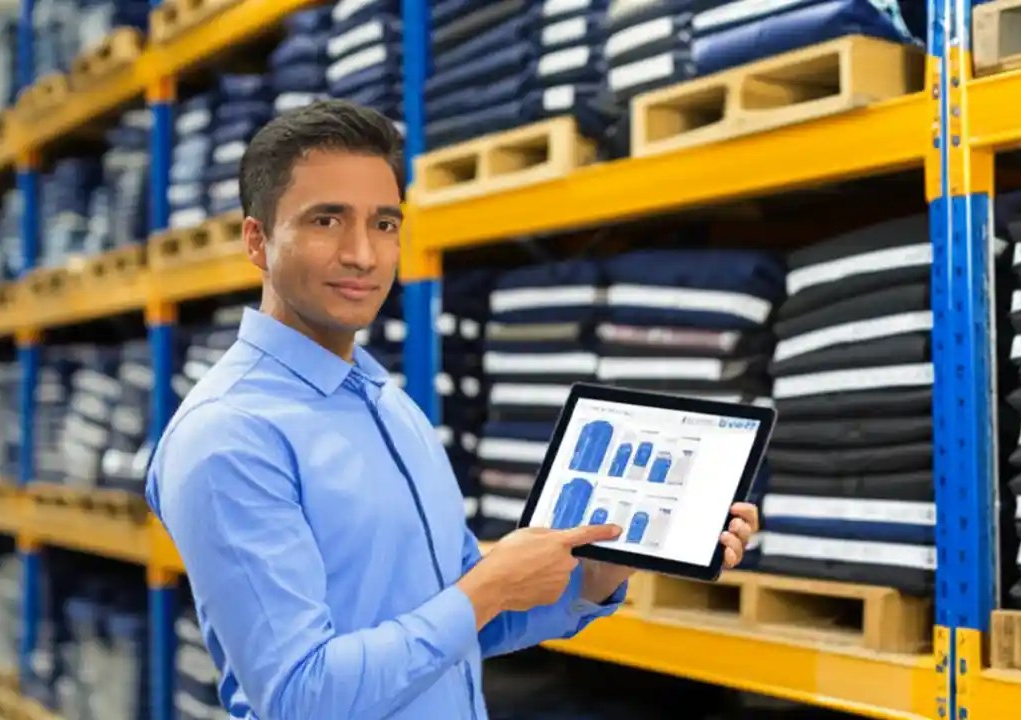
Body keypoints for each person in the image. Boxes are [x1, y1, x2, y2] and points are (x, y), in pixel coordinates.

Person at [145, 100, 759, 720]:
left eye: (384, 224)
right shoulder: (228, 435)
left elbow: (463, 625)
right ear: (258, 240)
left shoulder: (387, 405)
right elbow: (302, 696)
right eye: (327, 221)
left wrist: (600, 569)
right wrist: (488, 584)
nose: (363, 254)